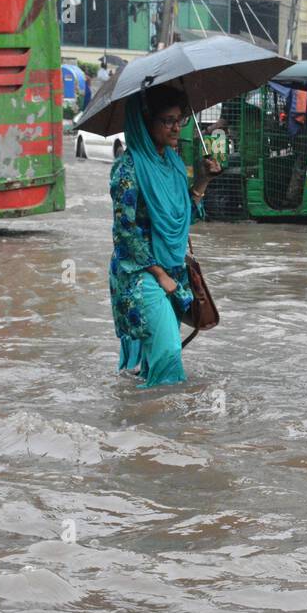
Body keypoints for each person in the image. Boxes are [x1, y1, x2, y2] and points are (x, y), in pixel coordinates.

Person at [108, 86, 221, 388]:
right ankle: (168, 428)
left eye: (180, 119)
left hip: (172, 269)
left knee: (155, 358)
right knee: (169, 351)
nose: (176, 127)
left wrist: (203, 181)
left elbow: (183, 219)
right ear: (146, 123)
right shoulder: (127, 169)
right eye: (167, 120)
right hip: (141, 272)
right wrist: (160, 275)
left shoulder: (171, 164)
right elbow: (124, 231)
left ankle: (145, 426)